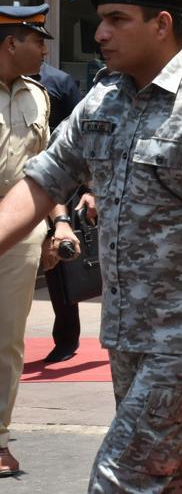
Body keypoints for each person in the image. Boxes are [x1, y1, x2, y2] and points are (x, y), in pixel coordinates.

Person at [0, 0, 182, 488]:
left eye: (117, 20)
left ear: (162, 25)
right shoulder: (101, 99)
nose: (100, 34)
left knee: (120, 475)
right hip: (125, 327)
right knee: (170, 469)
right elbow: (42, 182)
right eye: (101, 21)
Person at [0, 4, 79, 478]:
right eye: (37, 40)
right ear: (12, 43)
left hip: (21, 234)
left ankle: (0, 436)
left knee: (7, 339)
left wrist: (58, 224)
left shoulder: (40, 96)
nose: (45, 50)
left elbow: (45, 170)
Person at [32, 60, 88, 364]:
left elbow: (79, 140)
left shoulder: (59, 82)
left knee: (60, 267)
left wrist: (88, 191)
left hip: (59, 186)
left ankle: (66, 338)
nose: (42, 48)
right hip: (17, 186)